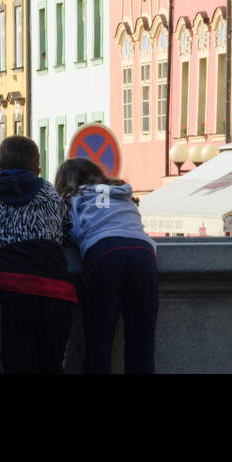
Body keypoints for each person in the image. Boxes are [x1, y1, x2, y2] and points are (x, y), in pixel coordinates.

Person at [0, 136, 77, 373]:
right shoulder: (52, 196)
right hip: (57, 294)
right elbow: (69, 233)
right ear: (38, 170)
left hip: (12, 295)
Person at [54, 158, 158, 374]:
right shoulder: (123, 195)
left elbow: (63, 233)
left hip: (106, 254)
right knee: (142, 341)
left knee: (99, 339)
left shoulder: (72, 197)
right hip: (144, 256)